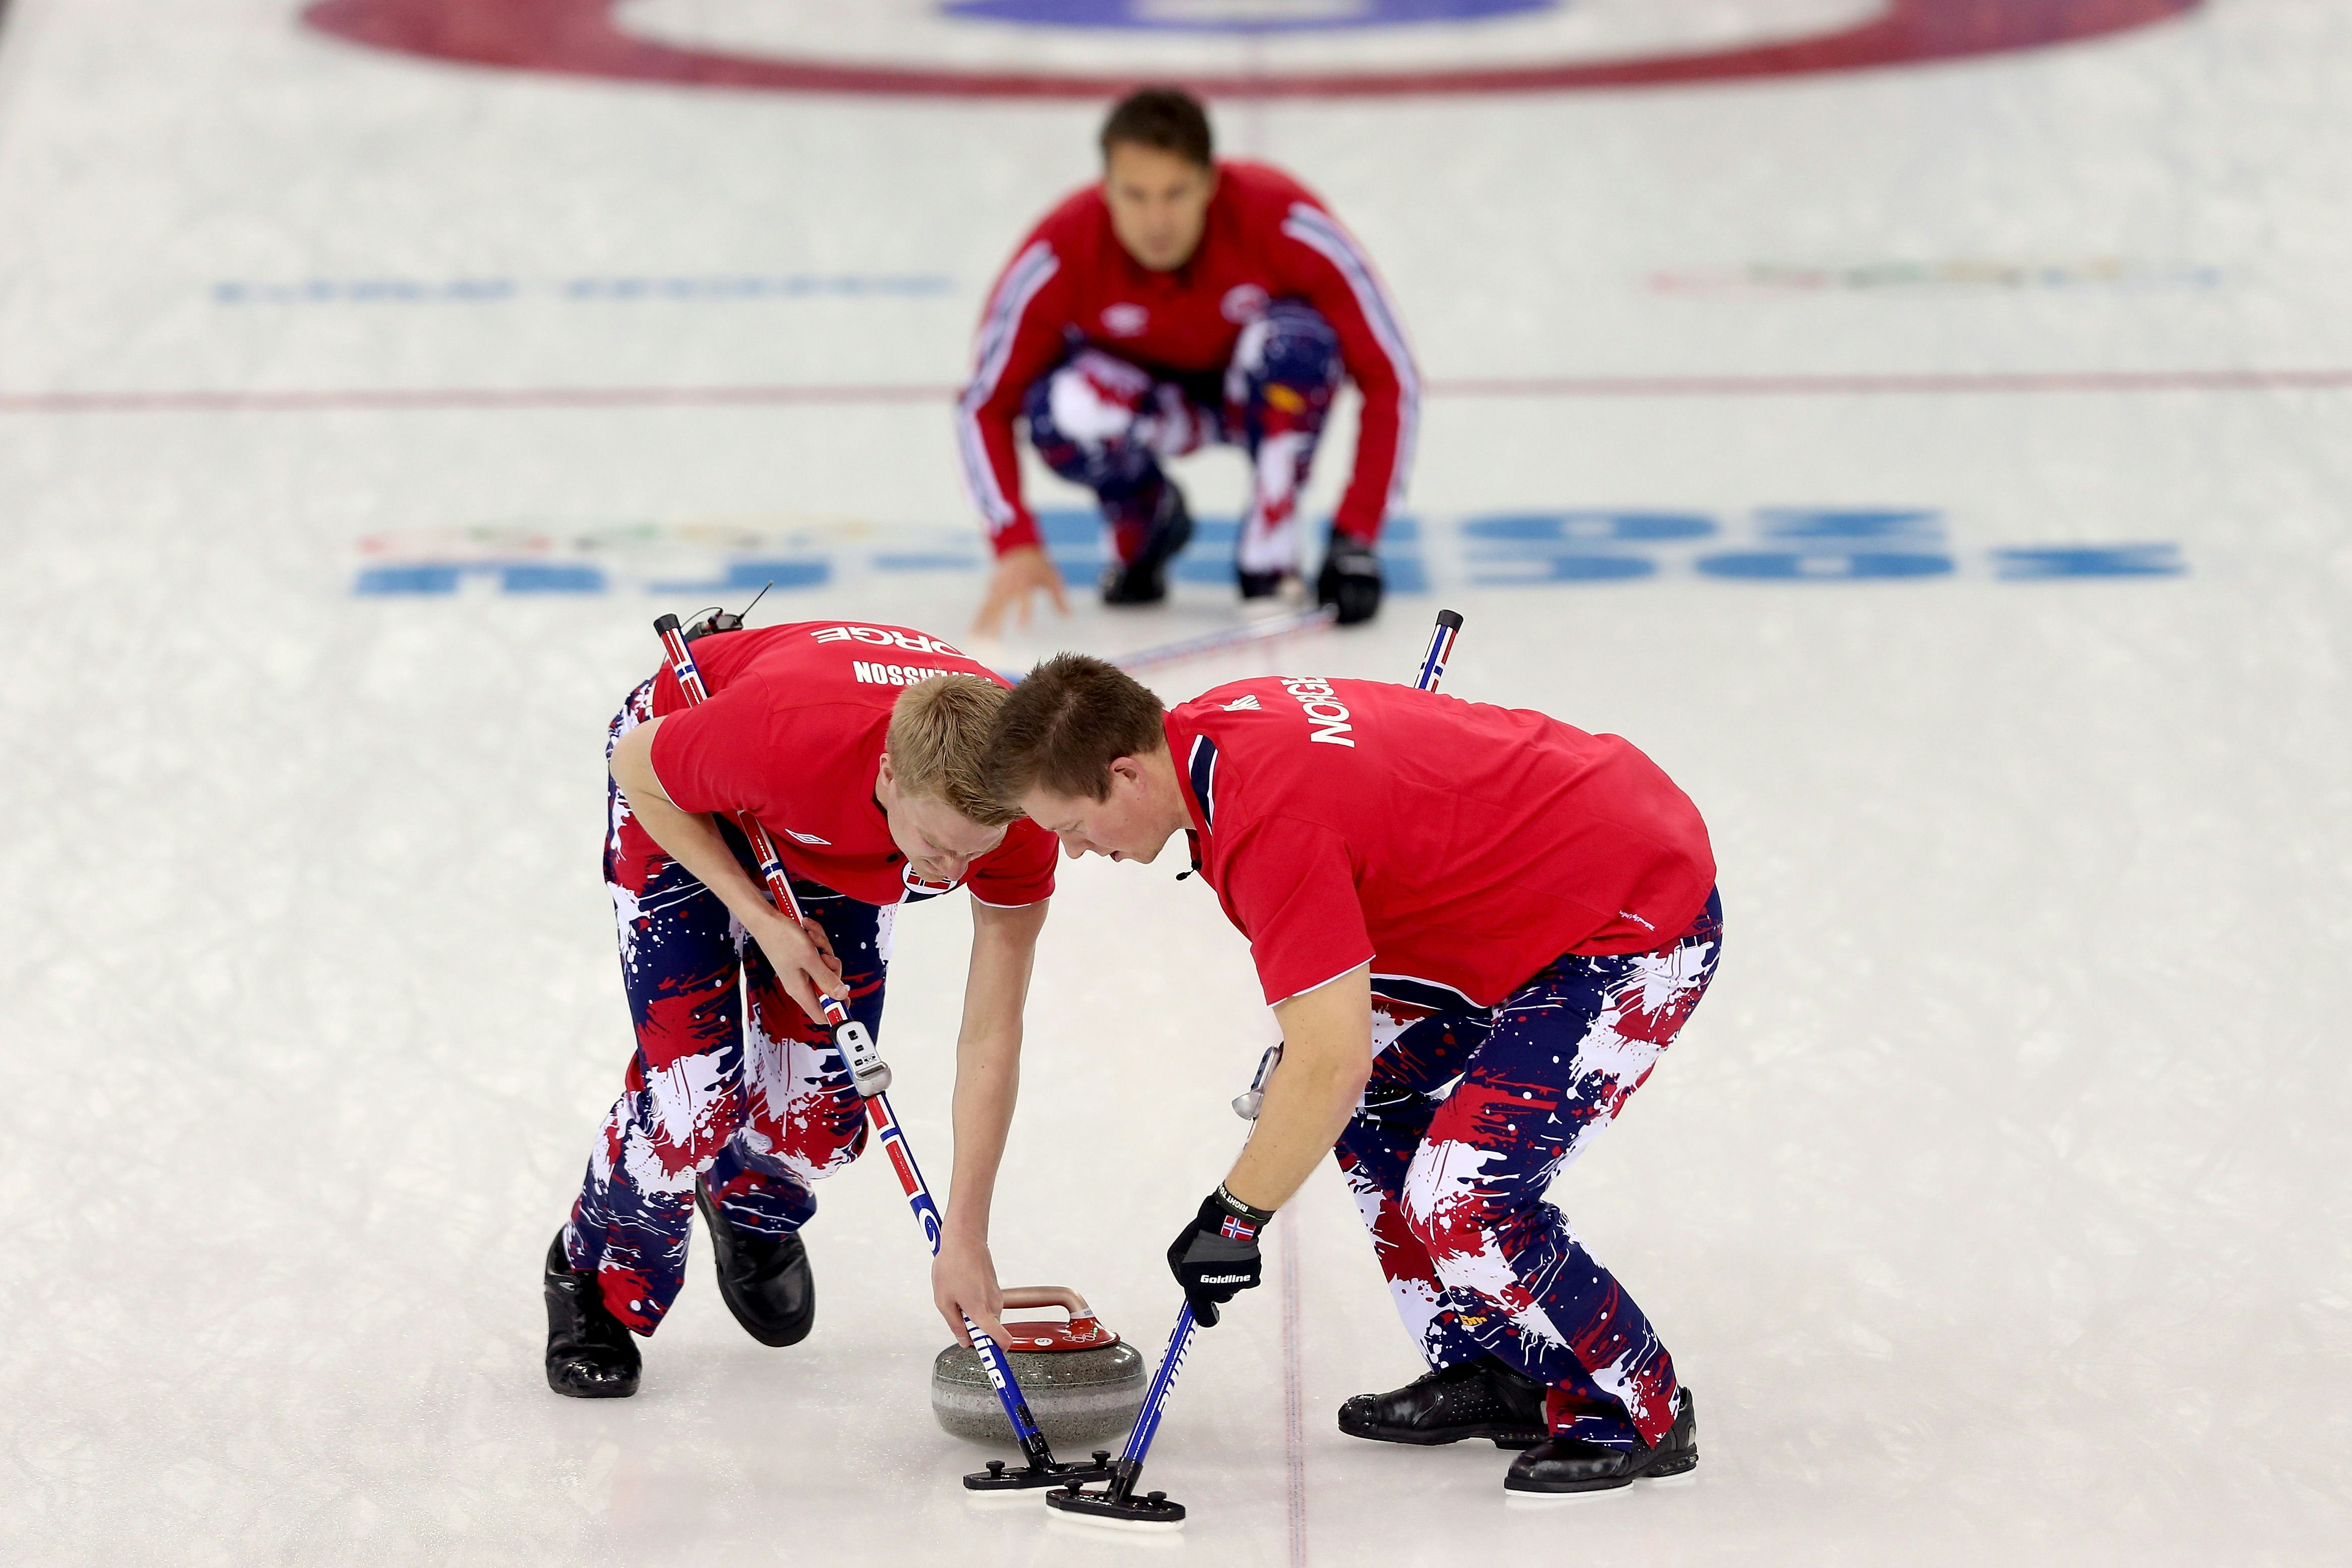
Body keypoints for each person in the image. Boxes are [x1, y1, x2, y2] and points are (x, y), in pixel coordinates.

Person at [980, 656, 1722, 1494]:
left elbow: (1329, 1061)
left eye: (1074, 825)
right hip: (1520, 897)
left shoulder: (1267, 823)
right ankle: (1500, 1363)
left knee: (1462, 1198)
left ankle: (1631, 1406)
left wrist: (1234, 1218)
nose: (1076, 853)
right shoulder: (1207, 736)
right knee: (1368, 1105)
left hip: (1624, 918)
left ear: (1125, 772)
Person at [544, 618, 1055, 1398]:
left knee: (821, 1121)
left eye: (974, 850)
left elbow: (993, 1031)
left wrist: (967, 1233)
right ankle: (591, 1270)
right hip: (685, 785)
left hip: (837, 829)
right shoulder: (782, 737)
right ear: (889, 774)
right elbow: (636, 763)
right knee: (691, 1105)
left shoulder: (1018, 807)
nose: (952, 871)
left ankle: (748, 1200)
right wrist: (762, 919)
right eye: (937, 845)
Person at [960, 86, 1419, 635]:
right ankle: (1146, 519)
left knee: (1298, 345)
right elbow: (983, 404)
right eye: (1135, 195)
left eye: (1175, 193)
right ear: (1105, 189)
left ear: (1211, 182)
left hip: (1254, 398)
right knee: (1063, 408)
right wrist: (1014, 543)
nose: (1157, 221)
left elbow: (1390, 374)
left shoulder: (1283, 219)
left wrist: (1356, 537)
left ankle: (1269, 559)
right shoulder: (1060, 251)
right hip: (1142, 406)